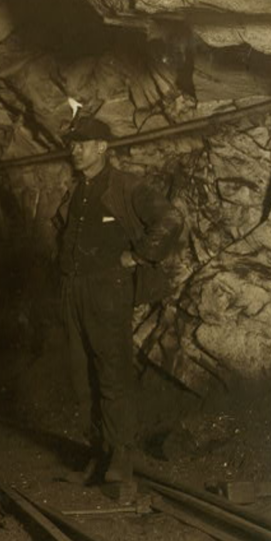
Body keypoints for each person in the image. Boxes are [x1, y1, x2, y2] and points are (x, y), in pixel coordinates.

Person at [54, 117, 183, 502]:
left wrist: (138, 254)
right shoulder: (78, 189)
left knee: (112, 372)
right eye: (72, 143)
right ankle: (98, 454)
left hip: (108, 289)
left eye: (83, 143)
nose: (75, 149)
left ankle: (121, 458)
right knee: (83, 376)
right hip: (73, 289)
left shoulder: (125, 185)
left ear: (102, 148)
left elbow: (171, 219)